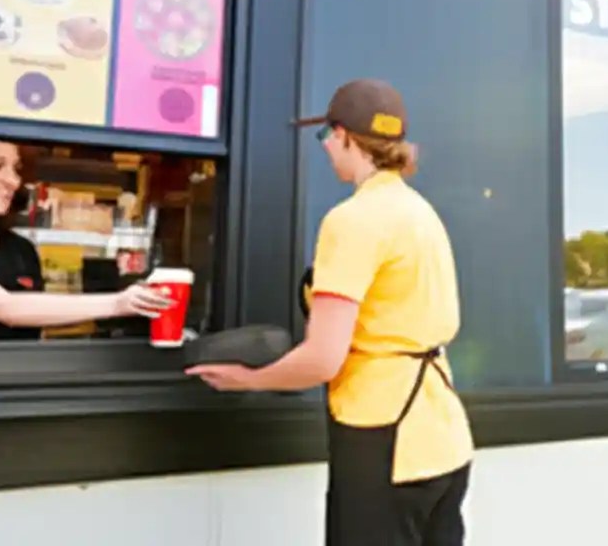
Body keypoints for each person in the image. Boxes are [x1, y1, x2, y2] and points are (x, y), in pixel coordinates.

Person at [187, 78, 474, 546]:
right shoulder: (420, 213)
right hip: (442, 436)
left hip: (383, 436)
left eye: (325, 137)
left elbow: (323, 357)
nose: (324, 149)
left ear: (343, 136)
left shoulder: (352, 220)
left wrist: (249, 379)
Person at [0, 138, 172, 342]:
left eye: (15, 169)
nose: (12, 180)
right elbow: (3, 307)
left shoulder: (20, 248)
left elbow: (37, 319)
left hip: (21, 393)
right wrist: (117, 303)